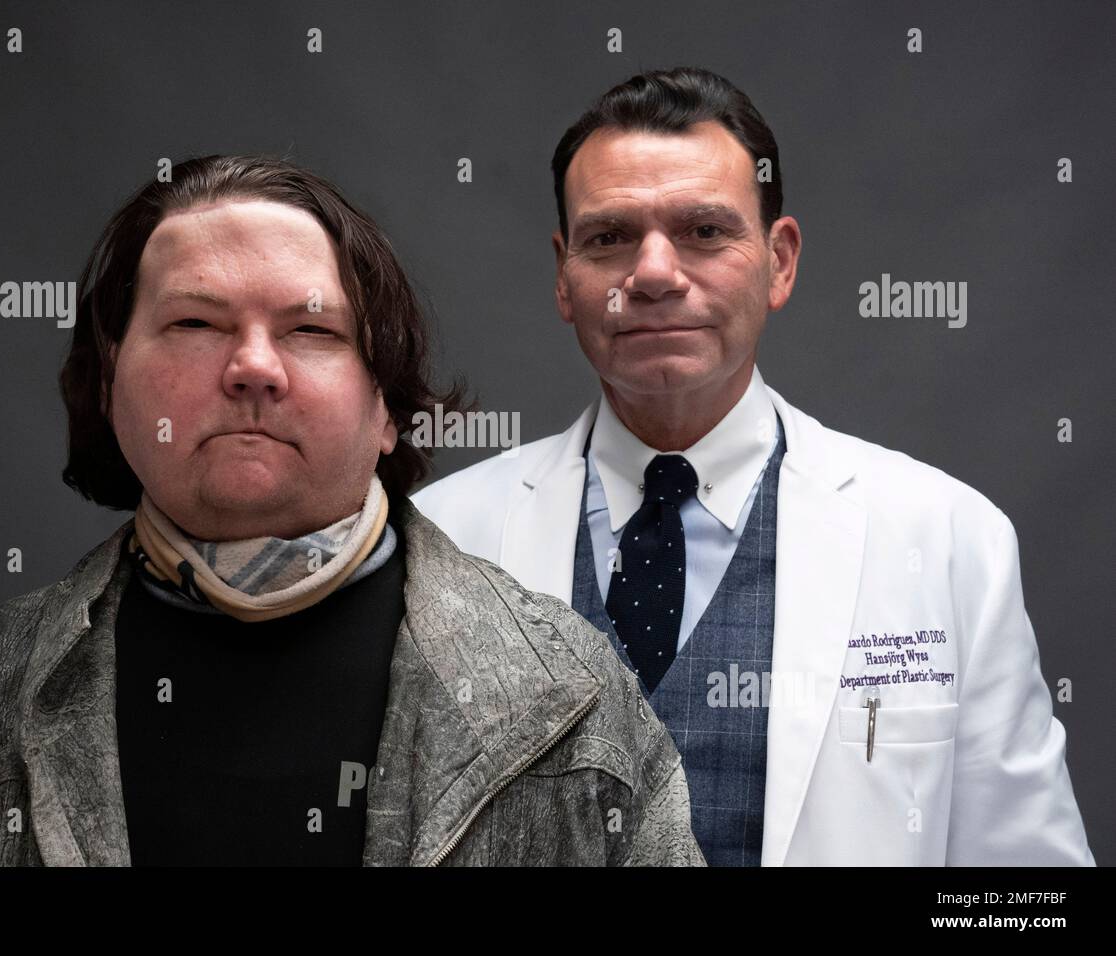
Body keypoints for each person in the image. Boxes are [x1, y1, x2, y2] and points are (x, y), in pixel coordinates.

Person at [0, 155, 703, 867]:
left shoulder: (573, 700)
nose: (253, 367)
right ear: (110, 382)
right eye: (196, 324)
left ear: (387, 405)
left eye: (311, 331)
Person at [413, 67, 1094, 866]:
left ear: (780, 261)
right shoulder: (442, 538)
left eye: (704, 231)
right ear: (565, 276)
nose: (656, 274)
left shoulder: (947, 539)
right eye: (610, 237)